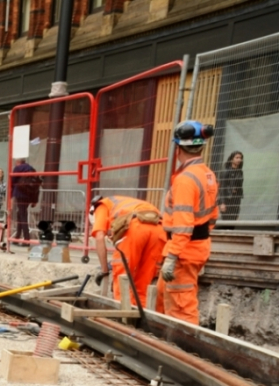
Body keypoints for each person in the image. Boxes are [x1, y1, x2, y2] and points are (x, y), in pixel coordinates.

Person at [158, 120, 219, 325]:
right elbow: (212, 216)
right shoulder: (208, 174)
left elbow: (183, 226)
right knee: (162, 294)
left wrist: (173, 256)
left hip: (183, 251)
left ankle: (182, 349)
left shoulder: (186, 179)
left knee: (182, 308)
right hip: (195, 246)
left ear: (178, 147)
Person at [90, 195, 166, 305]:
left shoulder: (101, 206)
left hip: (136, 228)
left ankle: (123, 318)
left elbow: (99, 237)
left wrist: (104, 270)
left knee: (122, 277)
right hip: (159, 231)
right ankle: (142, 318)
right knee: (144, 281)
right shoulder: (126, 203)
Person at [10, 159, 40, 244]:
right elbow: (37, 186)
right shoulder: (32, 169)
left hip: (20, 194)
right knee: (21, 213)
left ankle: (26, 239)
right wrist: (35, 200)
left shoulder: (17, 168)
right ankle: (17, 236)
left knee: (22, 215)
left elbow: (12, 181)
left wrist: (11, 195)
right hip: (29, 195)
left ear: (18, 162)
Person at [219, 151, 244, 224]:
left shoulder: (240, 172)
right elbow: (222, 187)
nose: (239, 159)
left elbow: (240, 186)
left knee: (234, 221)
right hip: (227, 199)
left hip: (236, 199)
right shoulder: (226, 171)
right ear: (231, 159)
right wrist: (222, 203)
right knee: (227, 221)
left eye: (240, 158)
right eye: (237, 157)